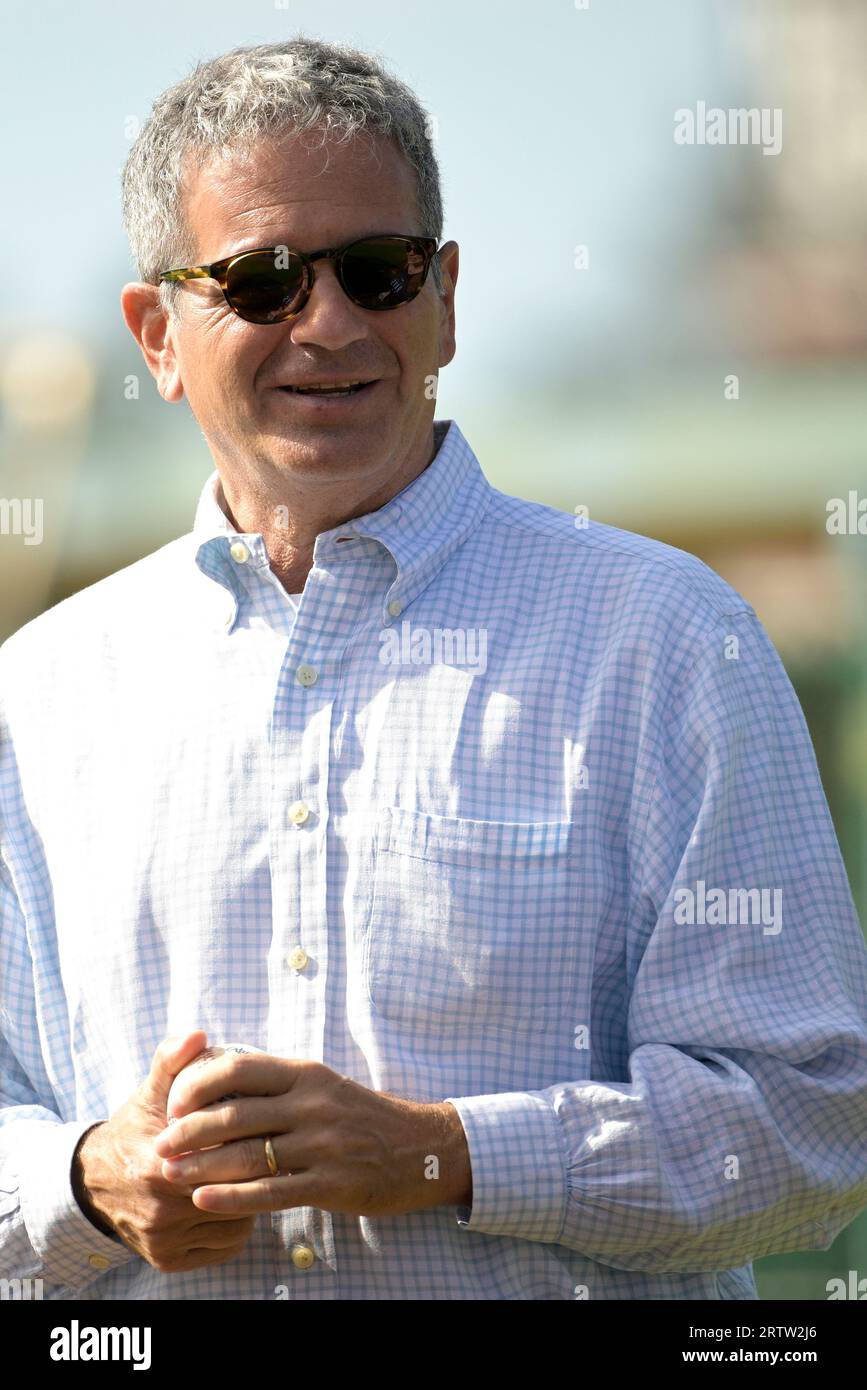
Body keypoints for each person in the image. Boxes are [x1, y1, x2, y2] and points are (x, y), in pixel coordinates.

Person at [1, 36, 866, 1303]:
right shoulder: (40, 694)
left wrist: (444, 1156)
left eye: (378, 270)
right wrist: (87, 1183)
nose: (333, 320)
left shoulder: (668, 638)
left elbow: (814, 1124)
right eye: (262, 281)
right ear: (157, 333)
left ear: (446, 296)